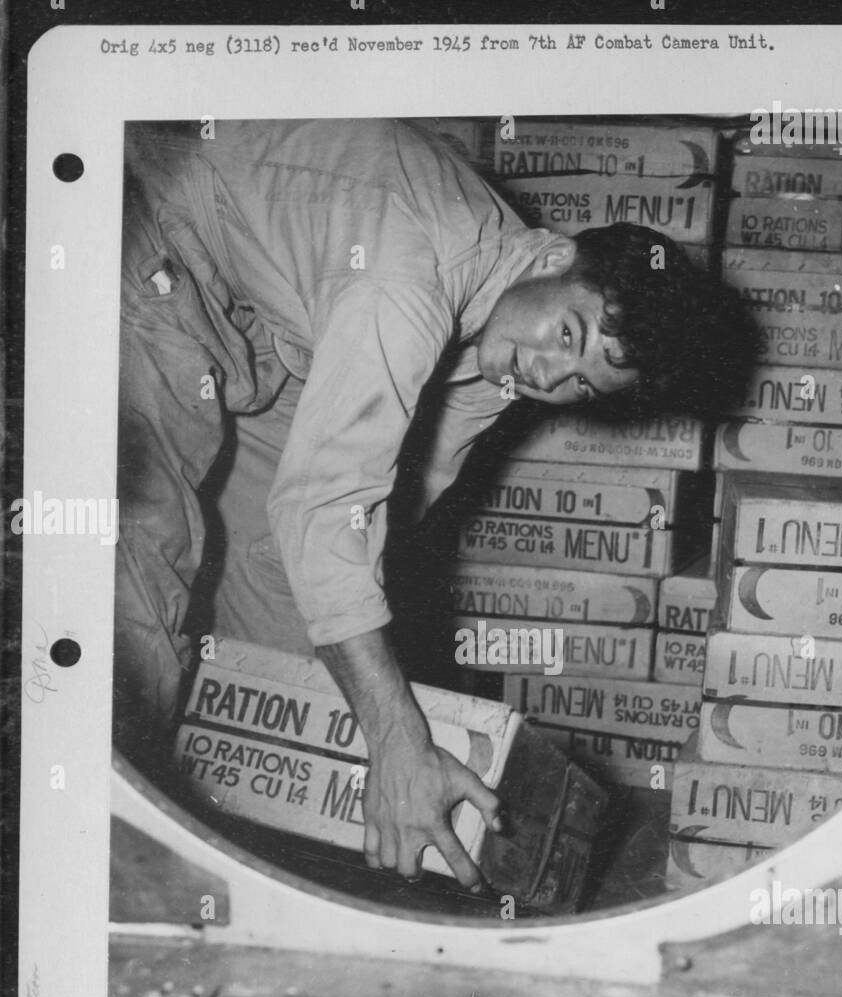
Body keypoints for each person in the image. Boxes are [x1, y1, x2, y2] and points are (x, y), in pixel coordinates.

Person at [115, 117, 756, 890]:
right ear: (554, 258)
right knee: (141, 555)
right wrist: (396, 738)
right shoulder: (409, 278)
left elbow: (387, 509)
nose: (549, 376)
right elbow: (325, 505)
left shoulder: (506, 343)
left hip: (275, 314)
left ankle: (262, 850)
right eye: (568, 333)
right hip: (159, 236)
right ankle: (112, 845)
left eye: (581, 381)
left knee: (298, 626)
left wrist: (377, 693)